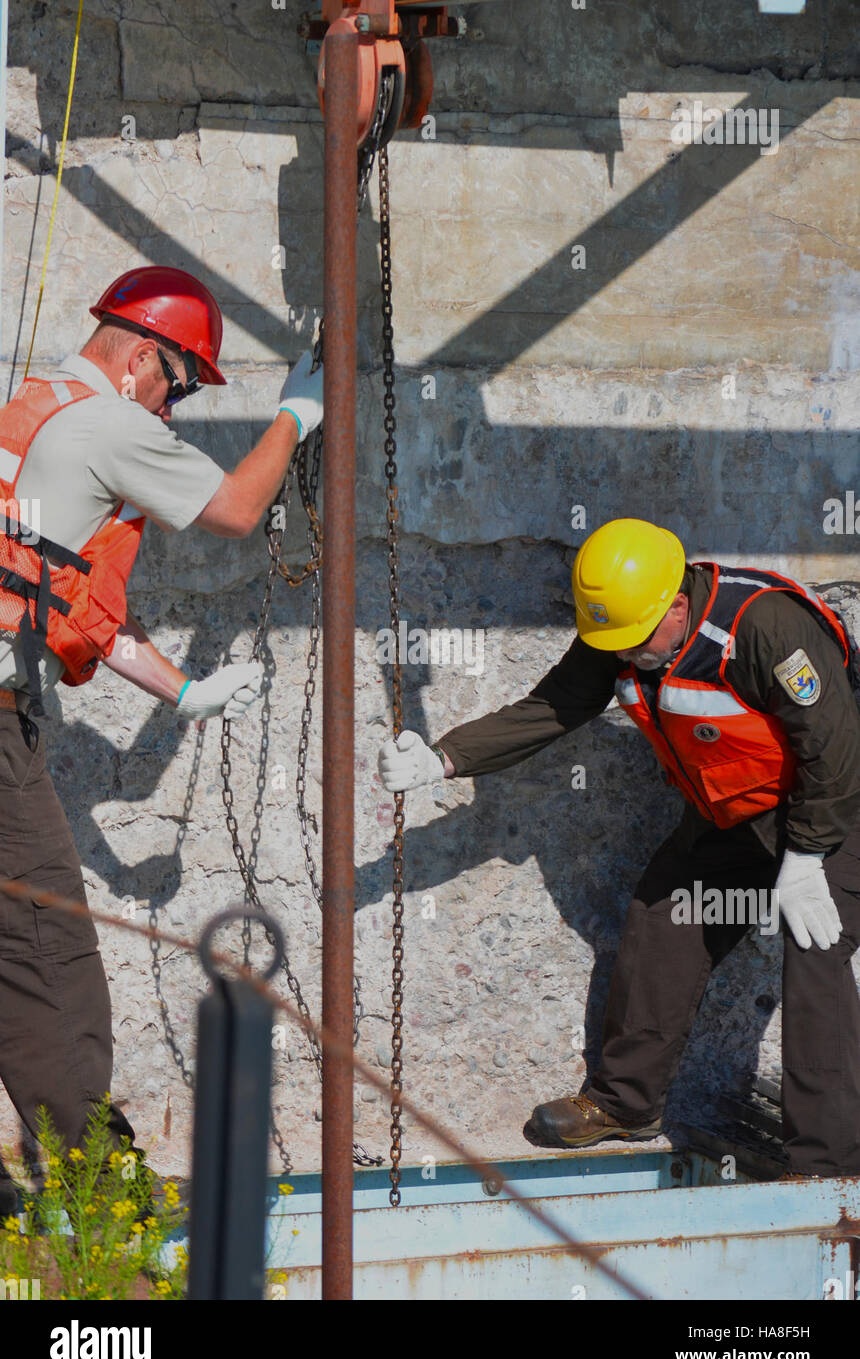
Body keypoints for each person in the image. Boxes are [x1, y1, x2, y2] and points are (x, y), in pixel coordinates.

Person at [378, 518, 860, 1177]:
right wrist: (445, 759)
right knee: (666, 916)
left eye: (637, 642)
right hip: (736, 818)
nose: (626, 656)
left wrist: (806, 861)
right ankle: (627, 1106)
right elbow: (553, 706)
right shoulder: (625, 632)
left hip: (835, 812)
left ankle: (827, 1169)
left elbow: (836, 753)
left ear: (679, 605)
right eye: (615, 644)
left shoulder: (765, 627)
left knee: (815, 950)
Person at [0, 266, 323, 1211]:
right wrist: (295, 419)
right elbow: (235, 510)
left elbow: (64, 596)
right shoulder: (110, 422)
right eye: (180, 385)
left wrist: (181, 691)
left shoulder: (33, 405)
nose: (176, 409)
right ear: (144, 357)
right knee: (47, 945)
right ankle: (101, 1189)